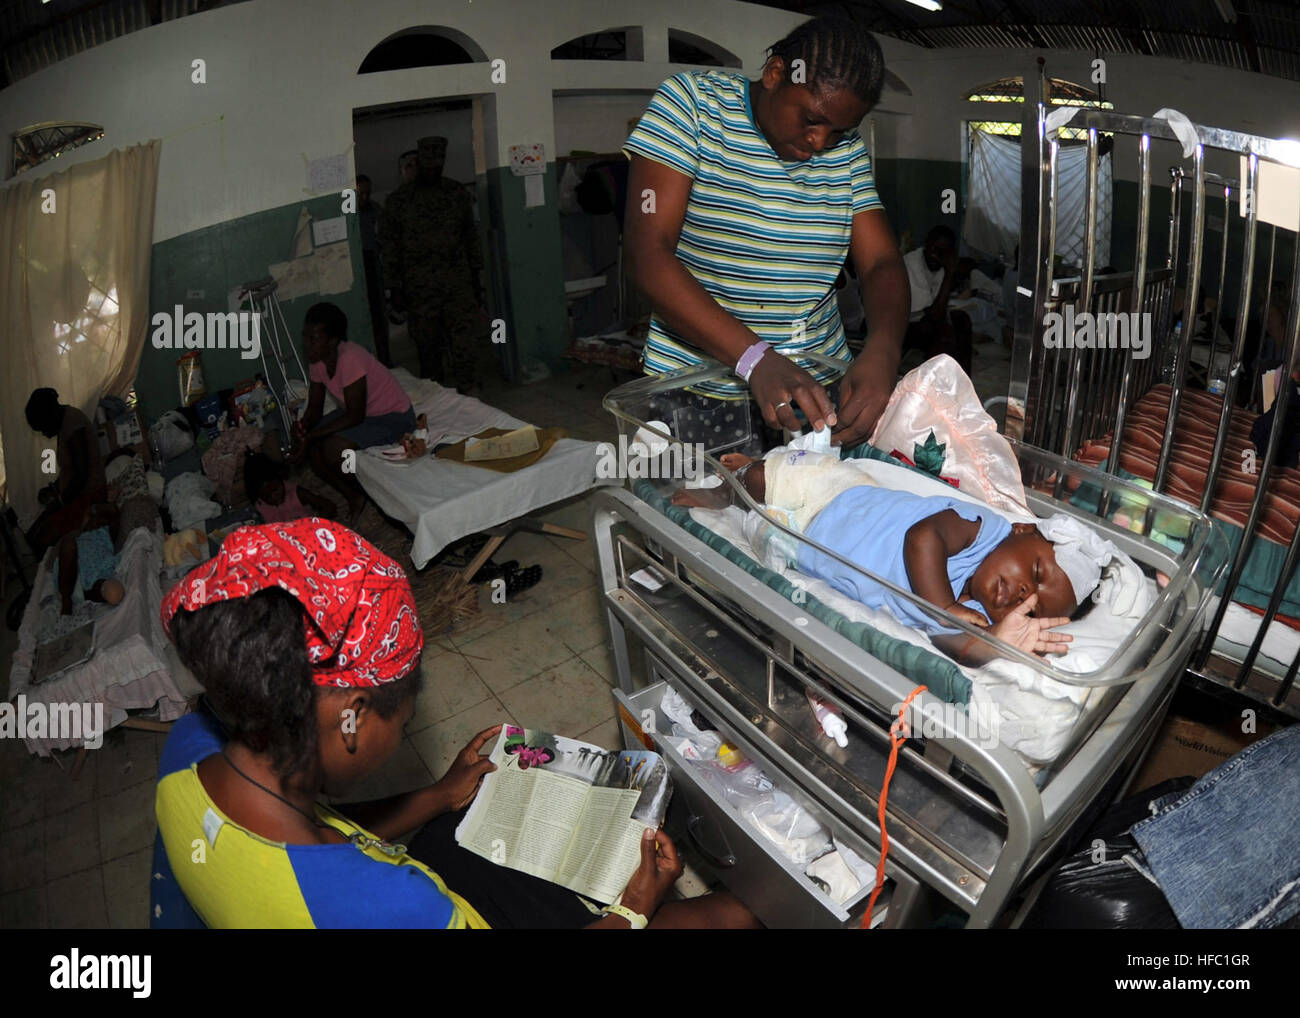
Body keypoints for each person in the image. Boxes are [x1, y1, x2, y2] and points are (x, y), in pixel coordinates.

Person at [155, 519, 758, 929]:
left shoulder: (186, 758)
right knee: (705, 914)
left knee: (465, 821)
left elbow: (318, 838)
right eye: (406, 716)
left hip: (377, 887)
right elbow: (350, 880)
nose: (407, 732)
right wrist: (631, 910)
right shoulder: (394, 904)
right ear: (352, 717)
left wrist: (438, 794)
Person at [623, 16, 909, 450]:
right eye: (811, 119)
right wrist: (754, 358)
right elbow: (648, 256)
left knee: (806, 511)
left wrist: (884, 349)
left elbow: (881, 261)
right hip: (701, 387)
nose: (819, 142)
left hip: (816, 384)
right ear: (776, 74)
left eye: (837, 131)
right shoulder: (693, 107)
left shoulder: (845, 149)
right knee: (708, 511)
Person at [674, 449, 1103, 667]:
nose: (1026, 593)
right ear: (1022, 531)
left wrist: (996, 647)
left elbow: (948, 644)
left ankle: (745, 504)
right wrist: (943, 605)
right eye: (1034, 571)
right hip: (837, 495)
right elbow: (923, 538)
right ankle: (727, 487)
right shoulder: (982, 530)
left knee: (760, 528)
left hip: (803, 545)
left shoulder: (975, 615)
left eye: (1034, 608)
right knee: (766, 478)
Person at [380, 136, 488, 391]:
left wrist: (476, 278)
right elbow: (390, 247)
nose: (432, 170)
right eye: (427, 165)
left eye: (436, 165)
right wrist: (394, 288)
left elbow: (469, 236)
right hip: (420, 287)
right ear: (418, 163)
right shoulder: (399, 201)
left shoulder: (456, 192)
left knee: (464, 342)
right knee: (428, 346)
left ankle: (468, 390)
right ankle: (436, 393)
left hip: (457, 282)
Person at [291, 302, 416, 521]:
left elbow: (355, 416)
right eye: (305, 337)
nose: (307, 345)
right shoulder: (317, 361)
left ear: (332, 341)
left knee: (333, 449)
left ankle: (375, 493)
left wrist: (310, 436)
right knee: (313, 449)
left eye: (314, 339)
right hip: (360, 413)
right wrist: (302, 428)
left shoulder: (350, 358)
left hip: (392, 417)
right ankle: (353, 495)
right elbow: (314, 409)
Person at [24, 387, 108, 555]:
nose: (45, 435)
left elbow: (81, 476)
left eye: (43, 428)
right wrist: (54, 488)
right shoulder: (66, 424)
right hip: (79, 495)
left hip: (91, 496)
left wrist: (57, 505)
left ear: (50, 414)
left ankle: (52, 571)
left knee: (41, 539)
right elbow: (71, 470)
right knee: (34, 533)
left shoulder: (73, 424)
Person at [902, 225, 974, 374]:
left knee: (962, 319)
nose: (935, 255)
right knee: (940, 332)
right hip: (898, 325)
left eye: (942, 252)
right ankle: (934, 385)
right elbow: (934, 315)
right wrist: (949, 274)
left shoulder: (939, 266)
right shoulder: (912, 264)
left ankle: (963, 380)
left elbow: (937, 310)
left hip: (922, 318)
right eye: (933, 249)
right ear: (926, 246)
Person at [355, 174, 392, 367]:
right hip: (359, 265)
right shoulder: (351, 214)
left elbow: (386, 237)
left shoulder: (376, 210)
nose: (364, 198)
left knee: (379, 315)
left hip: (374, 262)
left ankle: (385, 359)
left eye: (367, 193)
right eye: (360, 194)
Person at [243, 451, 336, 524]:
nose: (274, 497)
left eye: (275, 490)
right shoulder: (259, 507)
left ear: (280, 480)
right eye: (267, 496)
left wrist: (313, 525)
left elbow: (329, 506)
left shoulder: (295, 493)